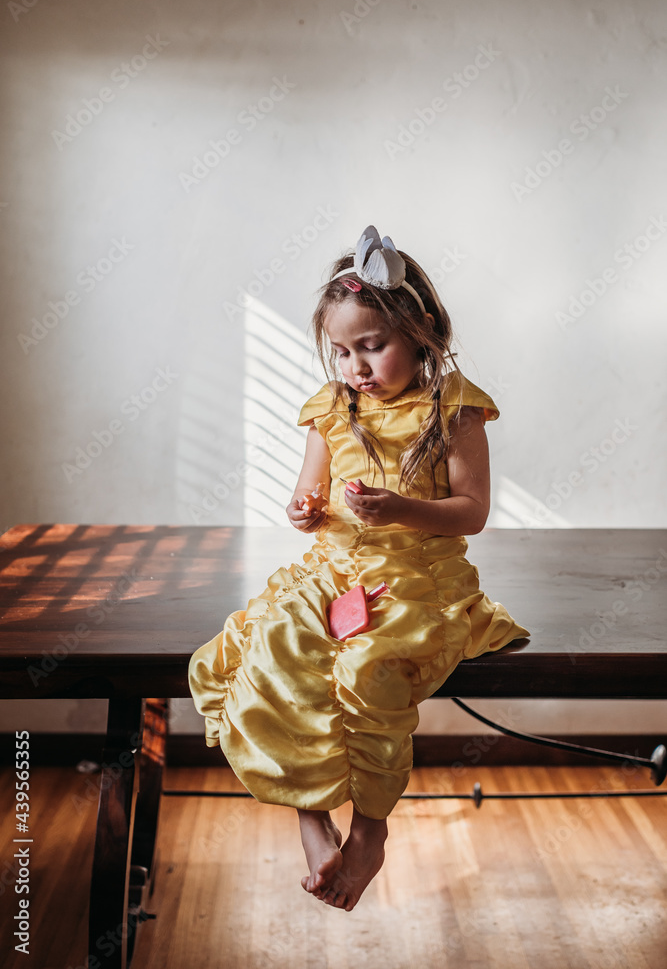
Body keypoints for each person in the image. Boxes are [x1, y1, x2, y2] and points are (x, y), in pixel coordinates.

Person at [188, 225, 530, 912]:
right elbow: (306, 494)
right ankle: (309, 819)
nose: (355, 366)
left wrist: (400, 507)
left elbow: (469, 512)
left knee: (367, 668)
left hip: (415, 582)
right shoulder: (331, 409)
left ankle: (368, 833)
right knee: (270, 653)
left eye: (372, 347)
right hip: (332, 572)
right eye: (342, 351)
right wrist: (306, 510)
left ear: (421, 331)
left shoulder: (453, 408)